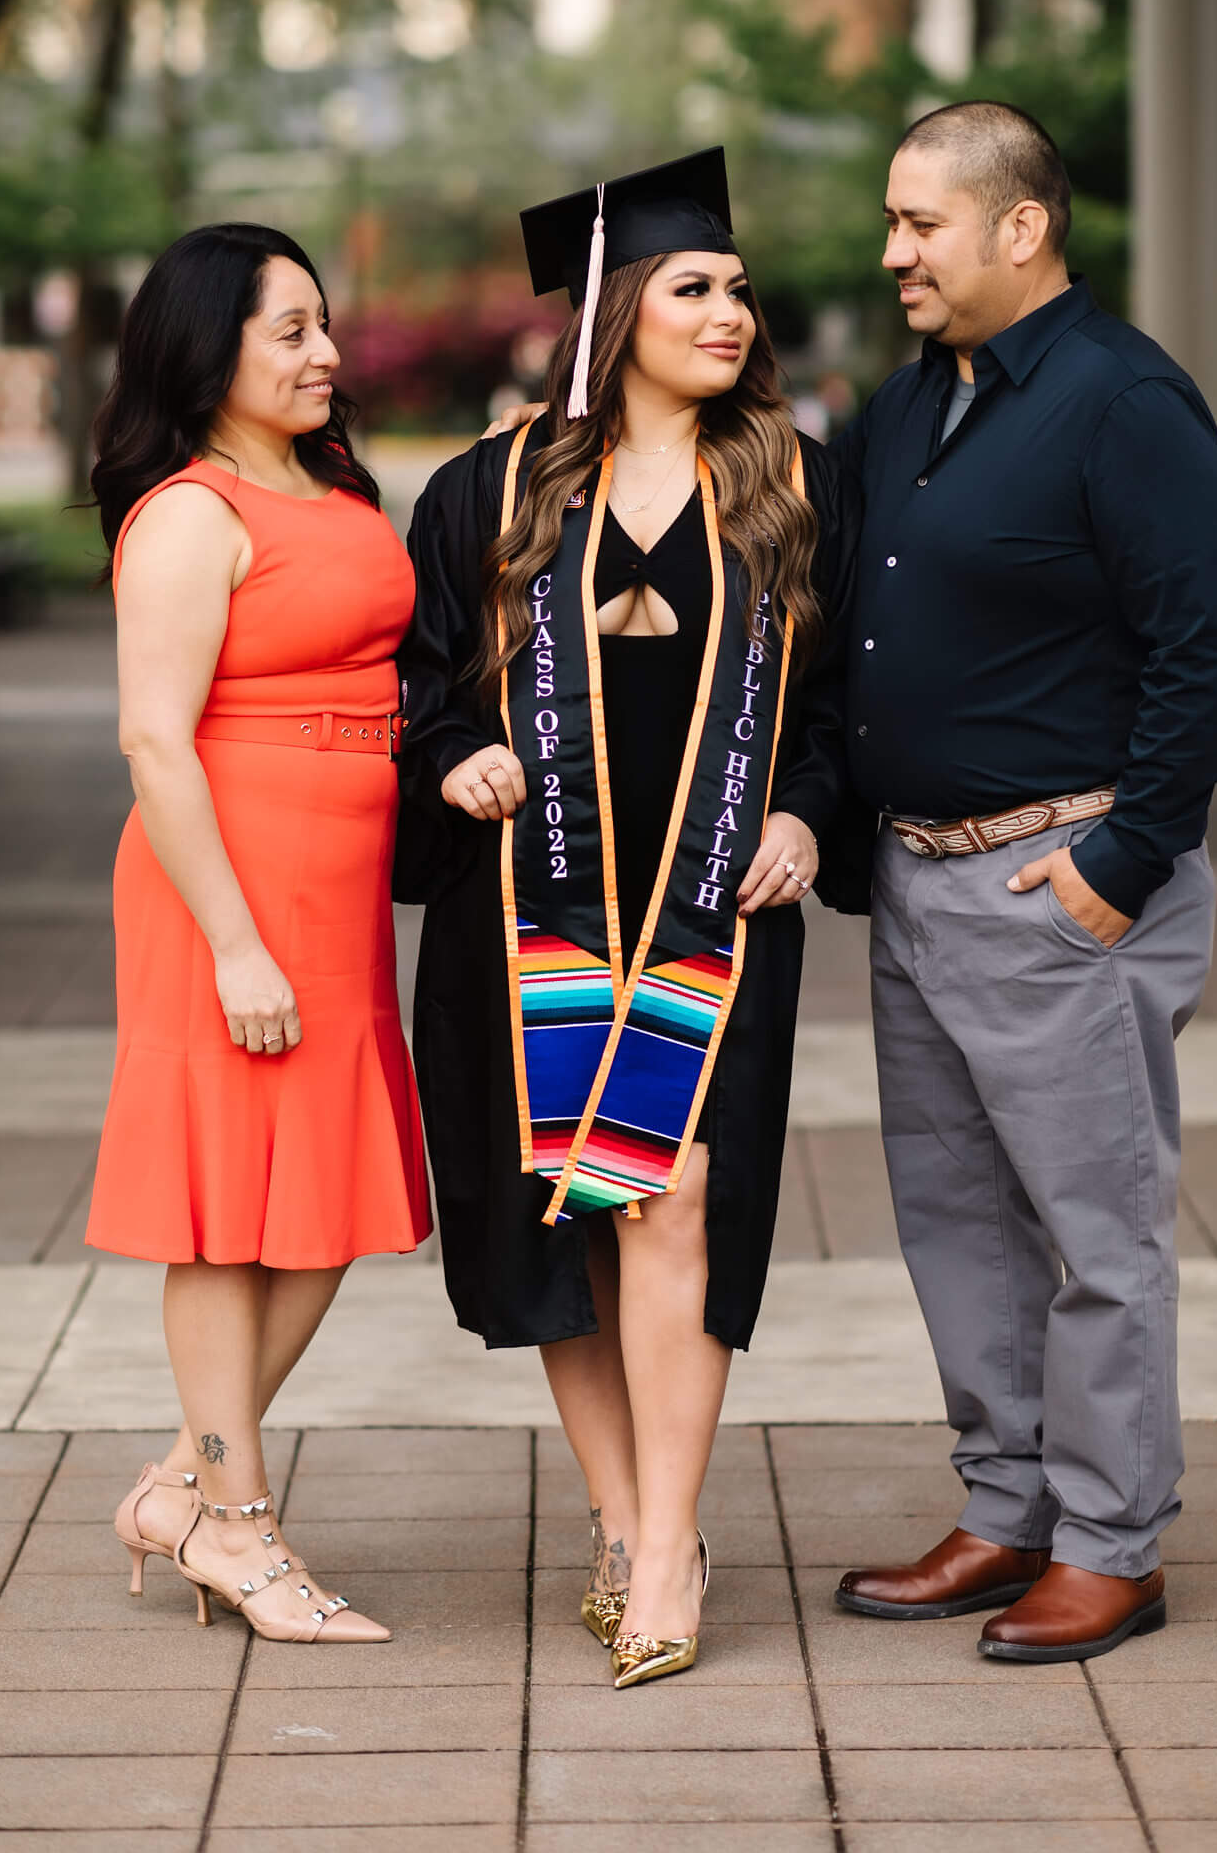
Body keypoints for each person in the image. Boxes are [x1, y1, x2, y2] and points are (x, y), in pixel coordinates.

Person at [398, 149, 854, 1688]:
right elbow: (415, 686)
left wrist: (807, 810)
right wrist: (456, 753)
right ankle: (620, 1516)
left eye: (736, 287)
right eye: (693, 286)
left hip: (710, 922)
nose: (731, 309)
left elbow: (850, 703)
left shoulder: (791, 483)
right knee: (571, 1220)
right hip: (526, 914)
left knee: (675, 1202)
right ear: (615, 314)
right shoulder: (494, 489)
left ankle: (671, 1545)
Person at [833, 102, 1217, 1664]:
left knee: (1097, 1232)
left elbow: (1209, 647)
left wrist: (1118, 867)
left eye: (921, 224)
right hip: (920, 887)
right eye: (892, 222)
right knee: (960, 1225)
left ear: (1023, 226)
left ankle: (1112, 1543)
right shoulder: (906, 408)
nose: (894, 253)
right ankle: (1005, 1509)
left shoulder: (1122, 401)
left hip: (1058, 887)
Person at [86, 221, 430, 1643]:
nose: (327, 353)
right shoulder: (188, 513)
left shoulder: (329, 484)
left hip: (334, 894)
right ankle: (238, 1526)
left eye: (324, 324)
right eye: (288, 330)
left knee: (328, 1205)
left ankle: (184, 1486)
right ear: (204, 345)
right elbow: (155, 746)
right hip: (226, 889)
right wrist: (234, 943)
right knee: (230, 1214)